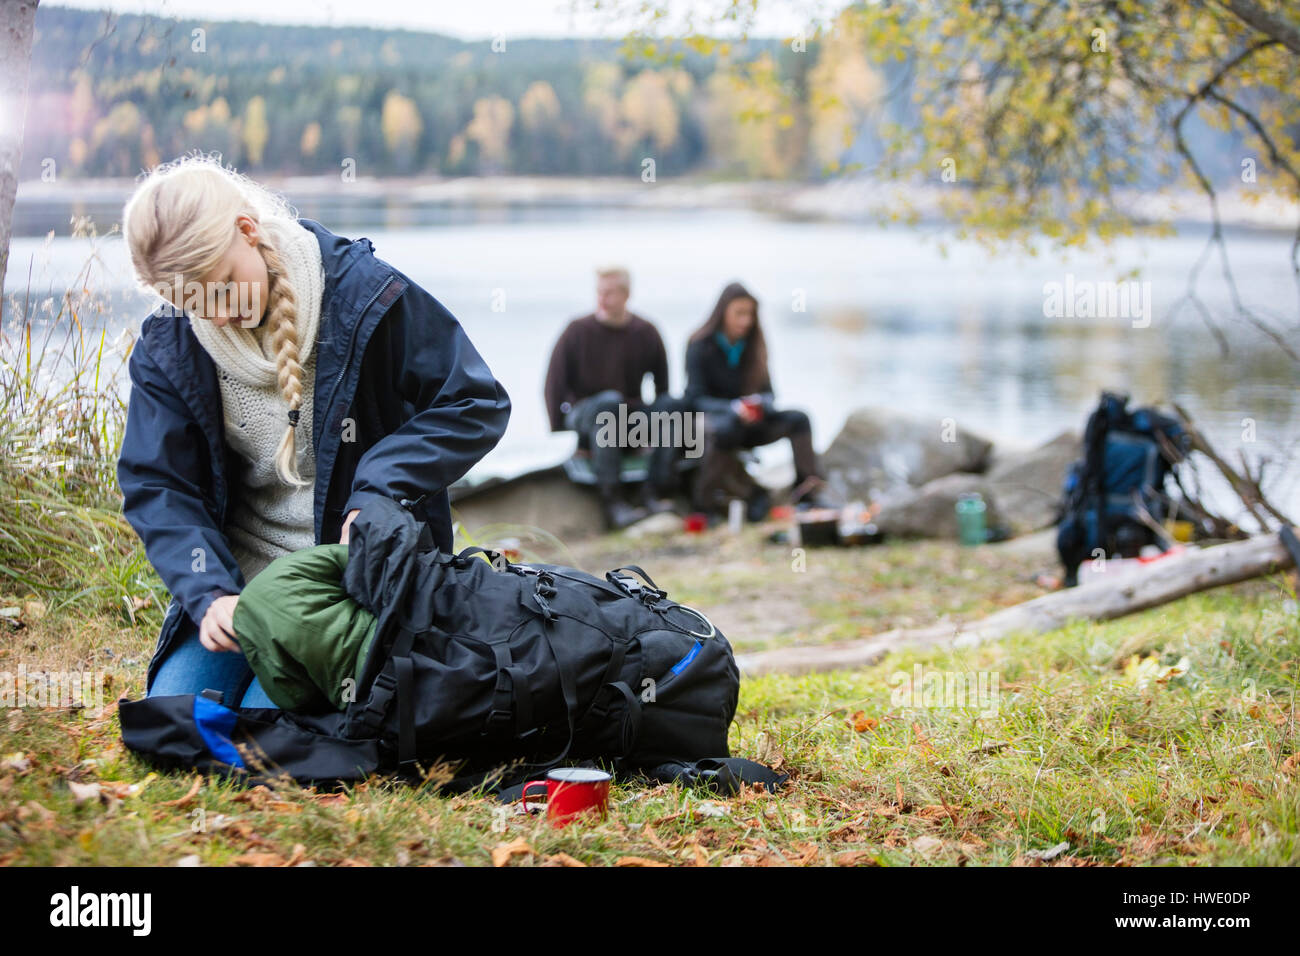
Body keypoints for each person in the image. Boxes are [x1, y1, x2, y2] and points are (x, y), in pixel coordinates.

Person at [116, 152, 510, 710]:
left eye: (224, 288)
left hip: (351, 579)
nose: (218, 316)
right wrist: (209, 594)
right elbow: (158, 484)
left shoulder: (364, 295)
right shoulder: (172, 346)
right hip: (244, 585)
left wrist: (380, 488)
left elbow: (475, 401)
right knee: (177, 716)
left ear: (247, 232)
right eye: (193, 304)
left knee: (271, 730)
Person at [543, 266, 684, 529]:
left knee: (674, 407)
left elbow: (663, 390)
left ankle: (652, 493)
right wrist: (559, 428)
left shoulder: (646, 332)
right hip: (585, 415)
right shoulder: (576, 330)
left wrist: (656, 424)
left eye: (609, 293)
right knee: (609, 403)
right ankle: (613, 503)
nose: (602, 299)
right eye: (599, 292)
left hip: (627, 416)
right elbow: (554, 384)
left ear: (626, 294)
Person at [684, 281, 831, 519]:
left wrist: (760, 404)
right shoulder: (700, 345)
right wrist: (733, 408)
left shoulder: (755, 345)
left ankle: (809, 493)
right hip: (719, 425)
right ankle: (706, 504)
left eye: (750, 314)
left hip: (753, 423)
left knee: (799, 419)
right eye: (739, 313)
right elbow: (694, 399)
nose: (746, 321)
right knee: (725, 429)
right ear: (723, 313)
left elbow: (770, 394)